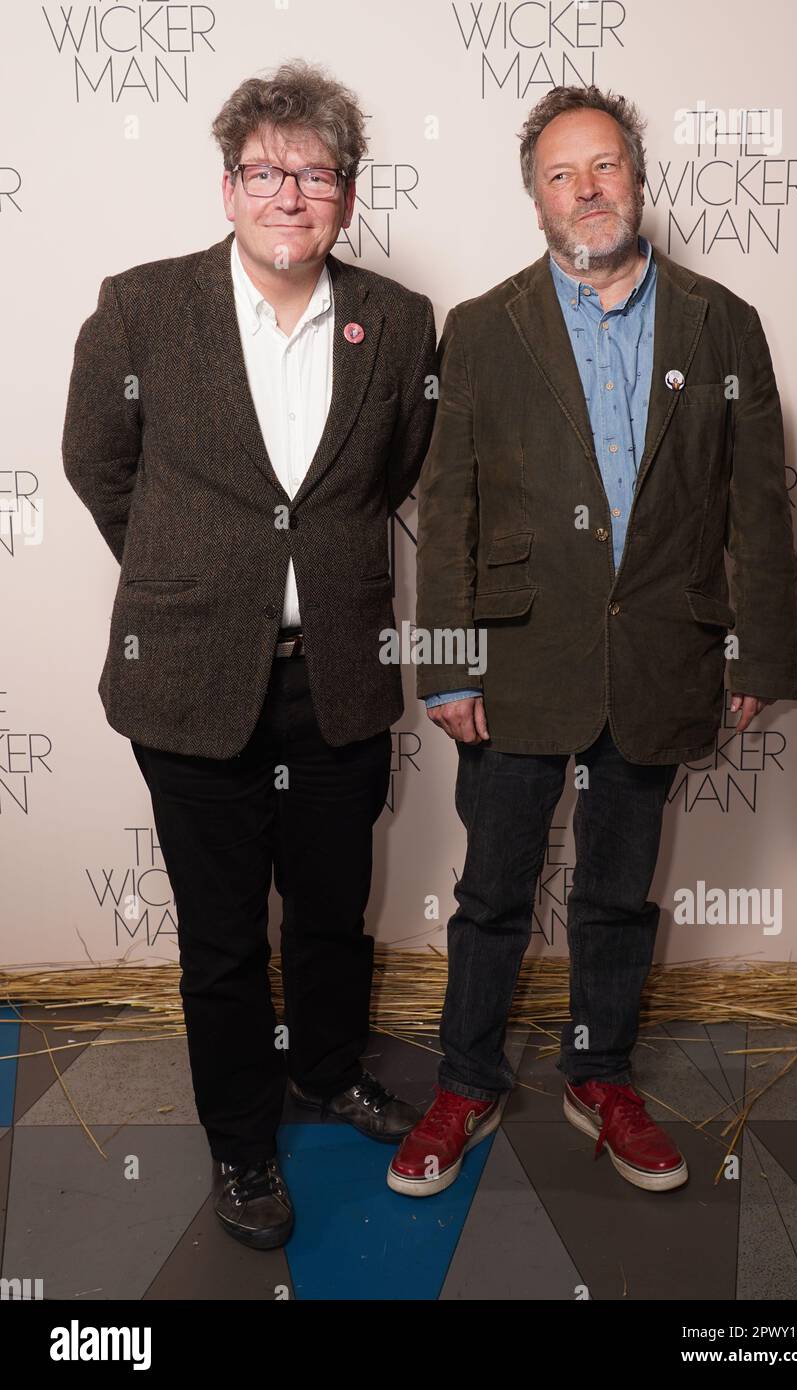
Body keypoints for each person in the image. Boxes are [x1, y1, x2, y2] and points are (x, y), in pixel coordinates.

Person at [388, 84, 797, 1198]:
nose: (586, 190)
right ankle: (465, 1082)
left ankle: (598, 1074)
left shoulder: (722, 323)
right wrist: (450, 664)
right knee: (492, 891)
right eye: (561, 174)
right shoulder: (481, 327)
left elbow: (755, 501)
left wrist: (756, 654)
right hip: (517, 661)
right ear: (535, 198)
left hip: (662, 650)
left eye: (604, 166)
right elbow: (450, 502)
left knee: (619, 890)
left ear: (635, 175)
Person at [62, 59, 437, 1249]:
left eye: (315, 173)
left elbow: (394, 472)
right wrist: (194, 576)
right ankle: (239, 1142)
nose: (290, 194)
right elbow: (97, 463)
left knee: (331, 908)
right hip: (187, 677)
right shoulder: (140, 306)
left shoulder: (399, 320)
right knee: (222, 937)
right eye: (266, 171)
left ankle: (328, 1070)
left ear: (345, 192)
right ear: (228, 188)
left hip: (335, 673)